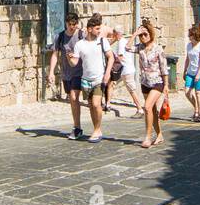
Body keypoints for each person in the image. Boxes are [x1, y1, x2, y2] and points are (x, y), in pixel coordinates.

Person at [67, 13, 115, 142]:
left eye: (100, 28)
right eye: (97, 29)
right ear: (89, 29)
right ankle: (95, 129)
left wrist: (107, 73)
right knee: (90, 105)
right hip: (86, 79)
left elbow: (111, 57)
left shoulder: (102, 41)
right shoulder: (80, 44)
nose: (99, 31)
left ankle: (98, 130)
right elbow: (74, 63)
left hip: (99, 78)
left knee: (95, 104)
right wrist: (69, 57)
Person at [127, 19, 168, 148]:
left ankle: (147, 137)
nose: (143, 37)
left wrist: (166, 85)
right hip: (145, 82)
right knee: (152, 110)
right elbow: (127, 47)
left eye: (145, 34)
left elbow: (164, 67)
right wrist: (135, 34)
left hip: (157, 82)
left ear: (151, 34)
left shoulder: (158, 49)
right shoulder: (140, 48)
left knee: (147, 107)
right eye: (141, 35)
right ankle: (159, 134)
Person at [48, 12, 84, 135]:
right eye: (69, 24)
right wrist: (51, 72)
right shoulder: (60, 37)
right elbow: (55, 54)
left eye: (74, 24)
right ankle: (77, 125)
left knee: (74, 97)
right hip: (66, 72)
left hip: (79, 72)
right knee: (72, 99)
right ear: (66, 23)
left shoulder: (81, 35)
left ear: (77, 24)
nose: (71, 27)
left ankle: (77, 127)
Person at [110, 26, 145, 118]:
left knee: (131, 90)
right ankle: (107, 103)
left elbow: (120, 57)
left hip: (126, 70)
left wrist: (112, 59)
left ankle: (140, 109)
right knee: (112, 84)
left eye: (114, 34)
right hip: (125, 70)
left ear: (117, 34)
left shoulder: (121, 43)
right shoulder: (123, 41)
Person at [183, 23, 200, 122]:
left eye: (190, 36)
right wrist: (185, 70)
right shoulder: (189, 45)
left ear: (195, 36)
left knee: (198, 93)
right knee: (187, 92)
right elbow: (187, 58)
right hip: (190, 72)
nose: (189, 37)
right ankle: (196, 108)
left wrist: (198, 74)